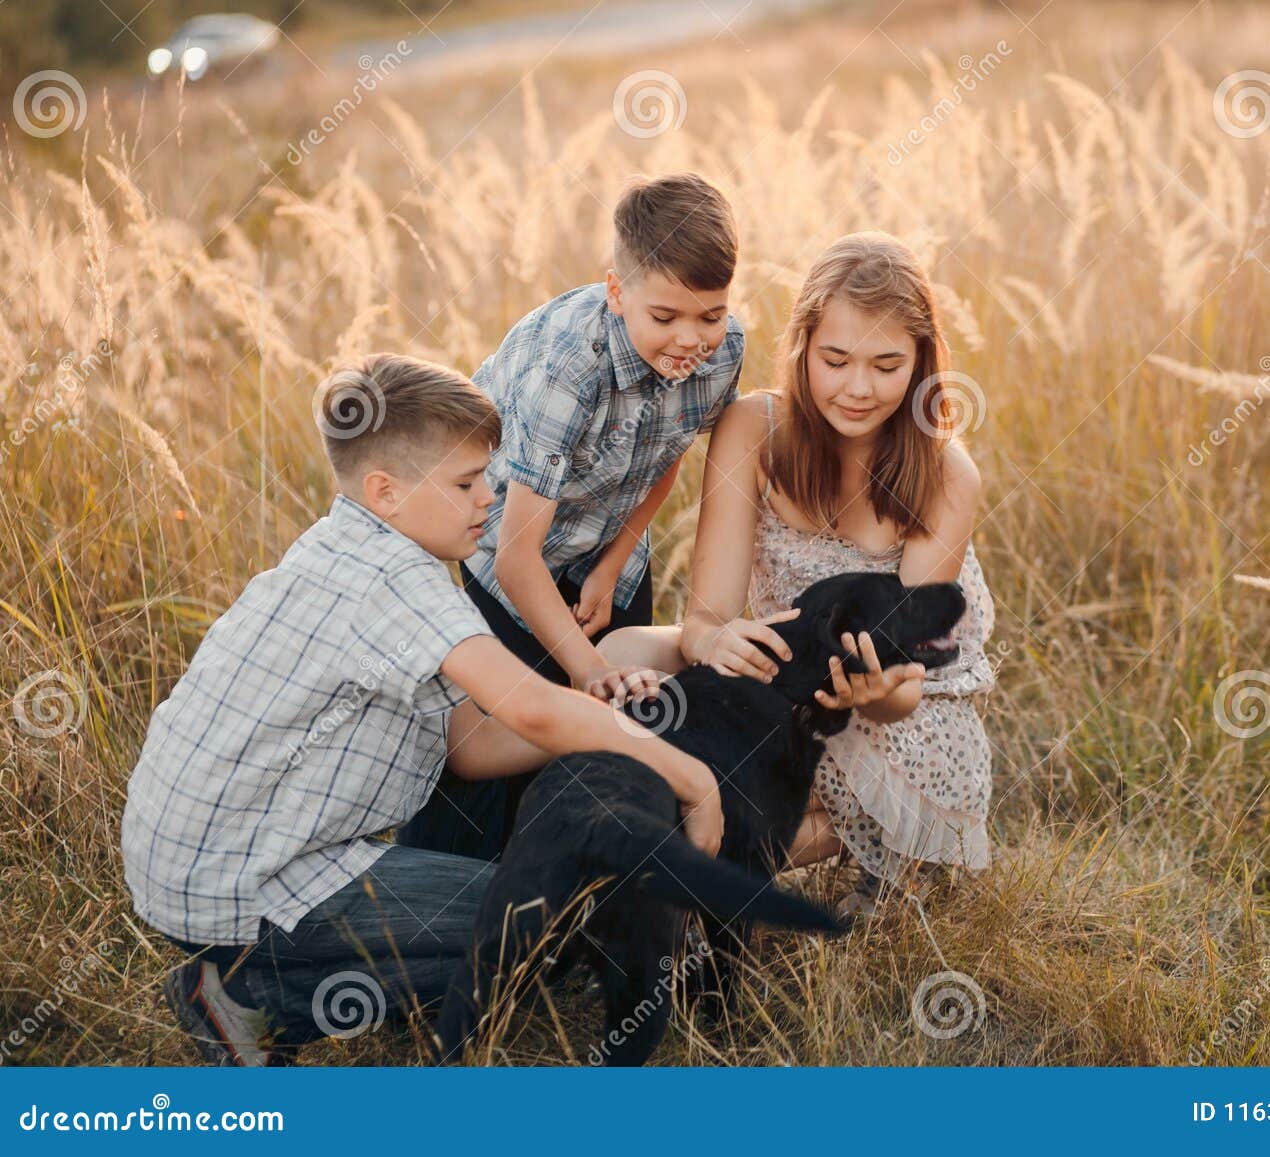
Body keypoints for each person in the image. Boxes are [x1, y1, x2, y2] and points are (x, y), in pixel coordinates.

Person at [121, 353, 719, 1065]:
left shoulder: (345, 547)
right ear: (386, 490)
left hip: (199, 862)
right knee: (547, 920)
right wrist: (693, 779)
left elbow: (468, 743)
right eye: (467, 482)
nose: (489, 497)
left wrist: (592, 713)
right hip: (243, 882)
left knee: (527, 907)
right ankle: (251, 994)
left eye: (488, 476)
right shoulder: (394, 578)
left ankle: (327, 971)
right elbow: (529, 710)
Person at [598, 232, 997, 917]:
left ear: (923, 362)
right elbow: (707, 616)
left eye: (887, 364)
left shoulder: (945, 474)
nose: (859, 387)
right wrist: (713, 642)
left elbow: (902, 686)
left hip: (901, 715)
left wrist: (869, 692)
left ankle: (855, 844)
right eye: (836, 359)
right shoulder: (753, 426)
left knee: (726, 812)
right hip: (777, 661)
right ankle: (648, 829)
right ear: (803, 347)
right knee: (619, 654)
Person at [397, 171, 745, 860]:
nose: (692, 338)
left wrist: (613, 564)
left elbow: (666, 452)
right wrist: (589, 675)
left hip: (604, 547)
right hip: (507, 554)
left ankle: (578, 893)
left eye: (710, 314)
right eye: (666, 316)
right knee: (505, 744)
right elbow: (516, 560)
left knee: (602, 755)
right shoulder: (571, 368)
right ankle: (454, 897)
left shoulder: (722, 353)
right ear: (617, 293)